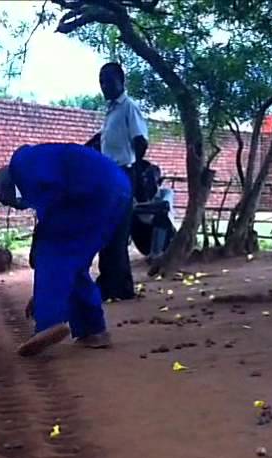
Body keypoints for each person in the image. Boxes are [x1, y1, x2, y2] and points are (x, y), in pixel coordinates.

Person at [0, 143, 132, 357]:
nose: (20, 206)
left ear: (10, 188)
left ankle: (48, 322)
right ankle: (93, 330)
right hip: (119, 190)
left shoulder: (22, 166)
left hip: (93, 191)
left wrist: (46, 297)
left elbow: (49, 219)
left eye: (13, 202)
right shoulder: (43, 160)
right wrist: (45, 293)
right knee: (74, 265)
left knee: (51, 251)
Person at [85, 61, 149, 302]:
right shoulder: (111, 110)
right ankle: (113, 284)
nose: (104, 86)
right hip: (110, 176)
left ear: (121, 81)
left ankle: (119, 287)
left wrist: (134, 169)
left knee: (117, 232)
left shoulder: (128, 107)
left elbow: (140, 140)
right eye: (101, 82)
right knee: (108, 231)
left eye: (109, 81)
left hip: (123, 174)